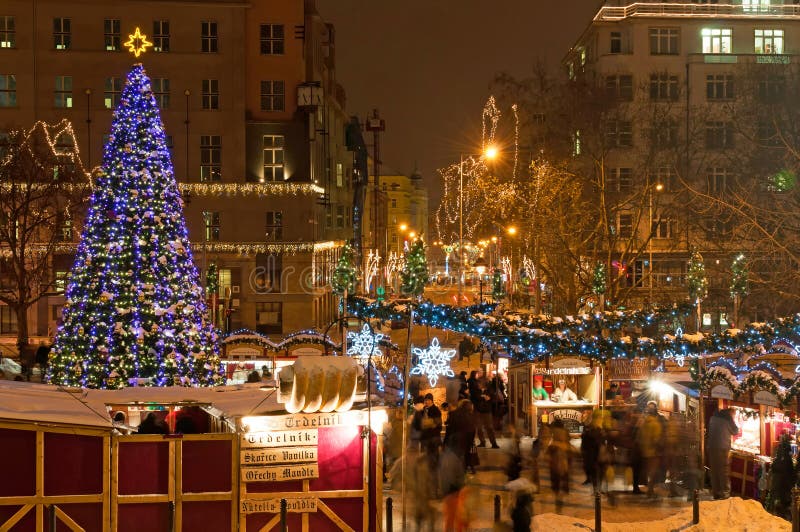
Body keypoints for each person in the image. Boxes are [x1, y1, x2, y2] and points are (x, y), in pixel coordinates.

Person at [707, 407, 739, 500]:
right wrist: (732, 420)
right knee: (723, 471)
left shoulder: (713, 417)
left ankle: (716, 493)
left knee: (714, 470)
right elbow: (735, 431)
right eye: (734, 415)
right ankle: (725, 493)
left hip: (711, 446)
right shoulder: (728, 418)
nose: (734, 416)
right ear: (731, 413)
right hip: (722, 447)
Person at [636, 401, 664, 497]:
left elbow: (639, 436)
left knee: (648, 471)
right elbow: (657, 439)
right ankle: (650, 490)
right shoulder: (656, 424)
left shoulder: (643, 423)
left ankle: (650, 489)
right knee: (653, 472)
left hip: (644, 451)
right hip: (653, 452)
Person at [475, 382, 499, 448]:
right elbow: (474, 398)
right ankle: (482, 442)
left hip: (487, 411)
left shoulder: (490, 391)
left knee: (489, 428)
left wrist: (489, 398)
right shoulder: (477, 391)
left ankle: (494, 443)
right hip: (478, 411)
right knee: (479, 428)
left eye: (480, 383)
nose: (478, 384)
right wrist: (483, 397)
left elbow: (494, 399)